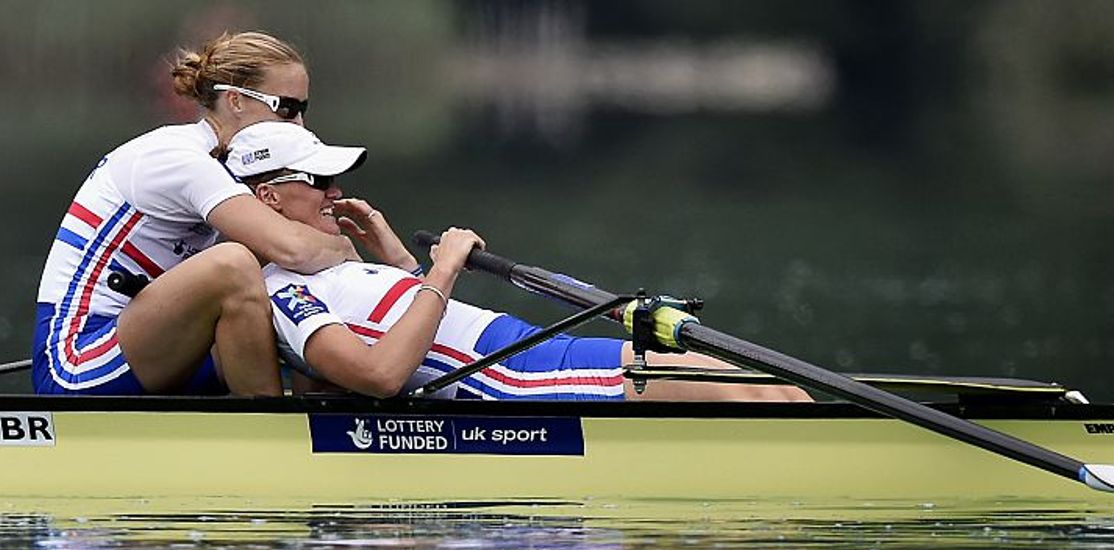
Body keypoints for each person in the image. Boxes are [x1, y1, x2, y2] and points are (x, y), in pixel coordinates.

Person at [223, 122, 811, 402]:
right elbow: (379, 374)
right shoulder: (277, 291)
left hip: (525, 349)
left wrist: (396, 256)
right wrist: (442, 269)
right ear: (268, 197)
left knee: (774, 387)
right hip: (510, 378)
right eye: (319, 179)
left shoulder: (330, 262)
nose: (334, 191)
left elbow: (415, 323)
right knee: (741, 391)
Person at [31, 31, 353, 397]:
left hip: (155, 342)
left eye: (304, 110)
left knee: (286, 277)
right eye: (288, 109)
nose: (299, 126)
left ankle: (327, 409)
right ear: (235, 101)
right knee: (234, 264)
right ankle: (278, 434)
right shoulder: (177, 157)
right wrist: (344, 247)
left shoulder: (233, 165)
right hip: (77, 359)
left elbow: (295, 257)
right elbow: (295, 248)